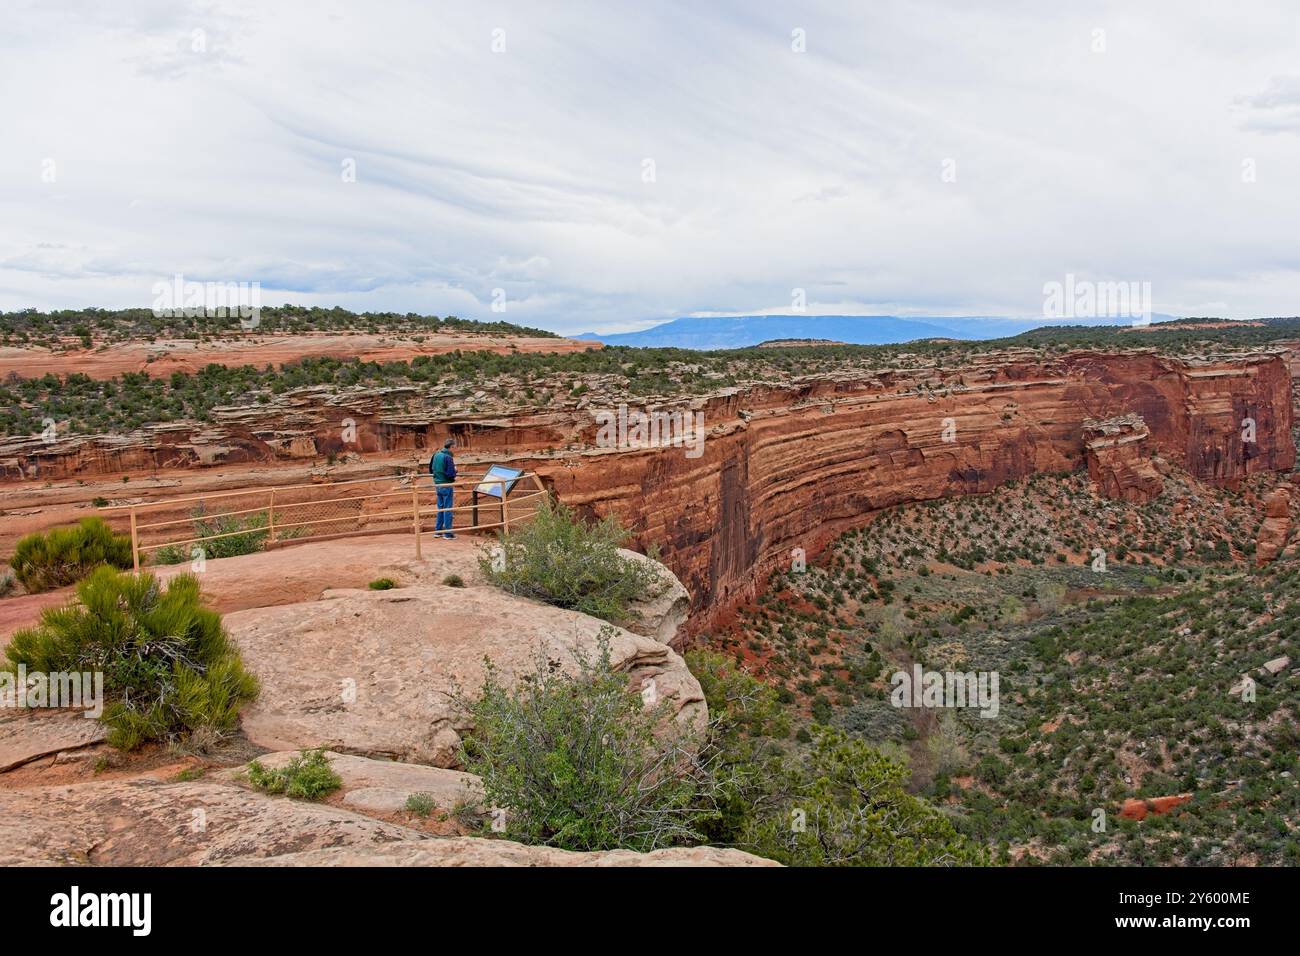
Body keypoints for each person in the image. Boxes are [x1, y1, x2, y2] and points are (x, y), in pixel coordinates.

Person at [430, 439, 457, 539]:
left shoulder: (436, 454)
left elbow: (430, 469)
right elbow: (450, 474)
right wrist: (455, 471)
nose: (455, 450)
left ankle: (438, 531)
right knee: (448, 509)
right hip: (446, 485)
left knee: (440, 508)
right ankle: (448, 533)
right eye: (454, 447)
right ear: (451, 447)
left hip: (438, 485)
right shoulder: (448, 457)